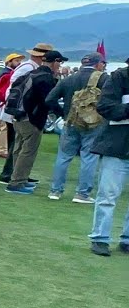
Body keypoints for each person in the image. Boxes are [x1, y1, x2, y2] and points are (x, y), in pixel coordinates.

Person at [46, 52, 108, 203]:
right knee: (89, 158)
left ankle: (55, 190)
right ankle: (82, 194)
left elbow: (49, 99)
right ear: (98, 64)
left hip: (71, 121)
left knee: (63, 157)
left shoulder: (68, 79)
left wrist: (63, 113)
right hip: (94, 123)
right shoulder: (104, 78)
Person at [6, 50, 64, 195]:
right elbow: (49, 100)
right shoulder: (46, 78)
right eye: (60, 62)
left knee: (18, 149)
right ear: (55, 61)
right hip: (32, 118)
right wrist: (63, 114)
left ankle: (17, 179)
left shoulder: (31, 73)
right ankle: (17, 182)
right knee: (28, 151)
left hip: (18, 116)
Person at [89, 63, 129, 256]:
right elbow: (105, 107)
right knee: (108, 195)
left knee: (109, 195)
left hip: (118, 144)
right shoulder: (119, 77)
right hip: (116, 146)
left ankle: (127, 239)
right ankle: (100, 238)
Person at [0, 42, 52, 185]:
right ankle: (11, 174)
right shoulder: (28, 68)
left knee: (18, 144)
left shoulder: (30, 67)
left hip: (17, 109)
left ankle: (16, 173)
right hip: (19, 111)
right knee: (18, 144)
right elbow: (14, 88)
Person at [0, 54, 24, 157]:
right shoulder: (8, 74)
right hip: (3, 102)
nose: (19, 63)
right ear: (9, 62)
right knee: (4, 127)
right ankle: (2, 149)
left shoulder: (4, 73)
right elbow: (4, 91)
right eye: (16, 61)